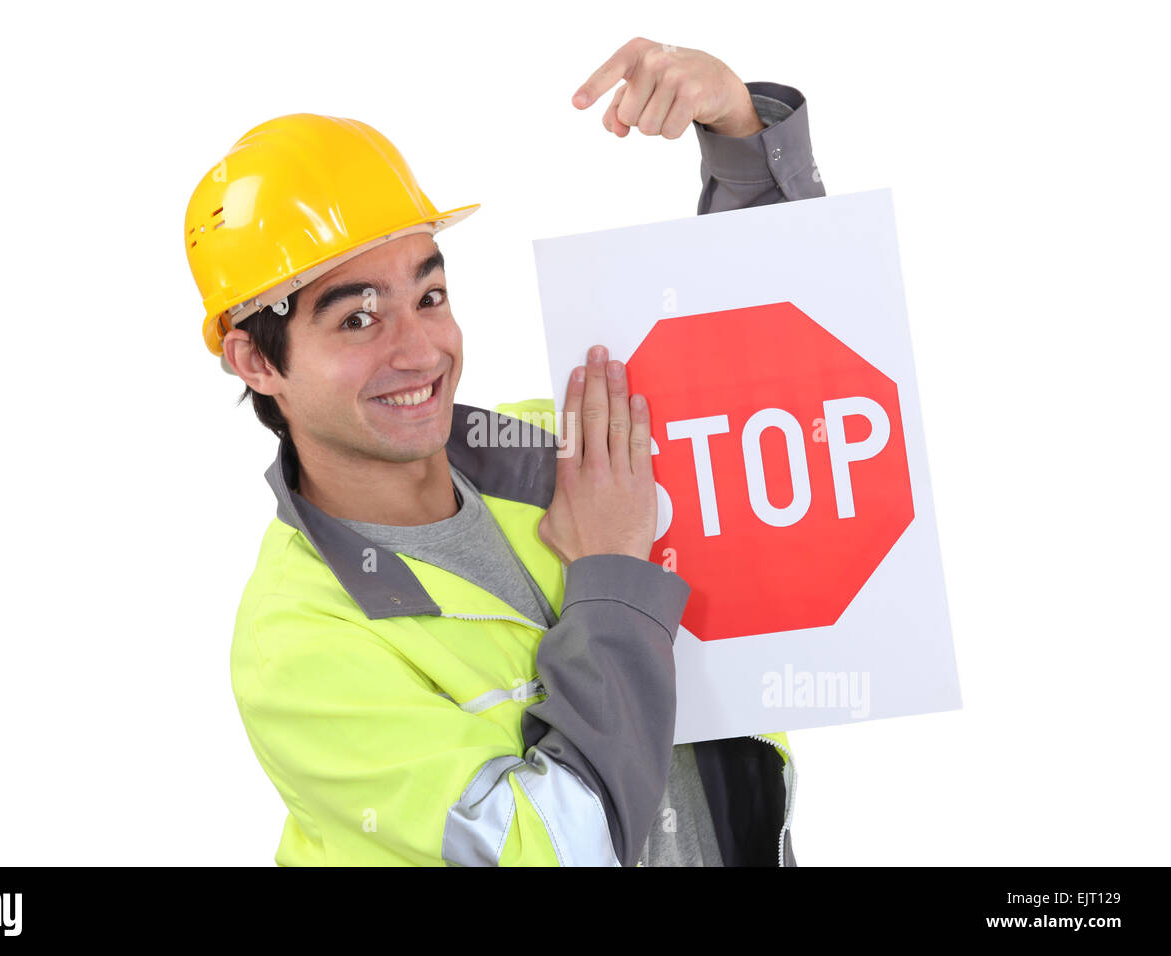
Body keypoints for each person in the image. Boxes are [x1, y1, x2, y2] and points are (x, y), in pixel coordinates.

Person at [184, 37, 826, 866]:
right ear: (256, 360)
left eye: (430, 294)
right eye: (358, 318)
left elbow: (775, 389)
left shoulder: (556, 450)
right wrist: (610, 577)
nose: (421, 350)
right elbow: (562, 850)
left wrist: (745, 141)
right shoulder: (301, 643)